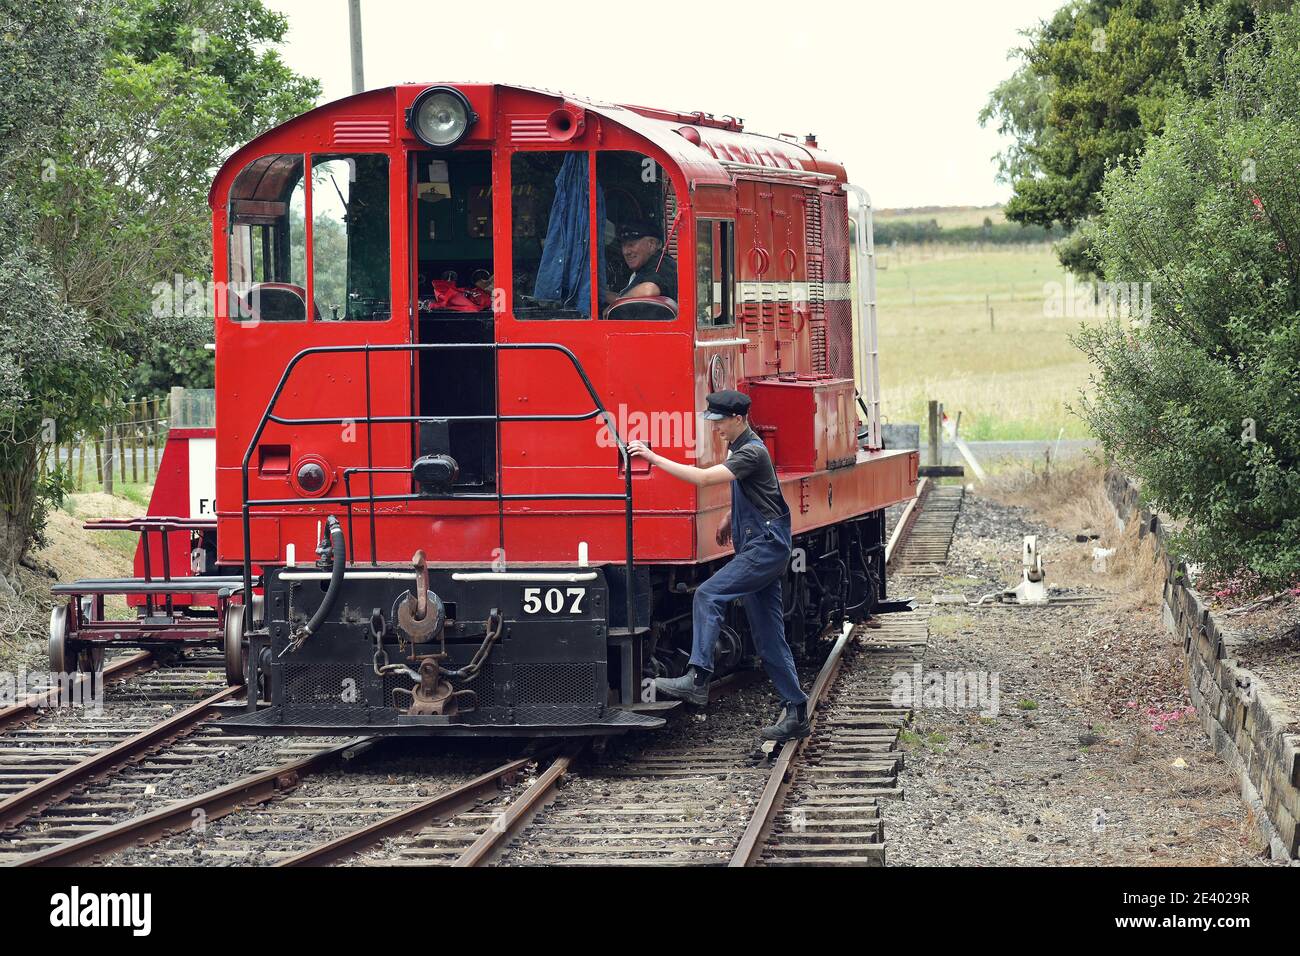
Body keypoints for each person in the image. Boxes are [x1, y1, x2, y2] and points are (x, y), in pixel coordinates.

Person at [626, 389, 811, 741]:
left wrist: (652, 457)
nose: (716, 428)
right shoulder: (743, 447)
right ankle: (796, 711)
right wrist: (730, 516)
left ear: (739, 418)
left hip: (766, 547)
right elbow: (759, 490)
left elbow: (704, 478)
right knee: (769, 640)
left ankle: (697, 677)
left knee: (708, 595)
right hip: (758, 547)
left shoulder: (752, 451)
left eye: (721, 421)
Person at [601, 219, 677, 306]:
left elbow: (649, 289)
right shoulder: (643, 268)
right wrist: (601, 294)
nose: (626, 252)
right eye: (623, 245)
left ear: (651, 245)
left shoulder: (663, 263)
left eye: (631, 245)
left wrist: (618, 303)